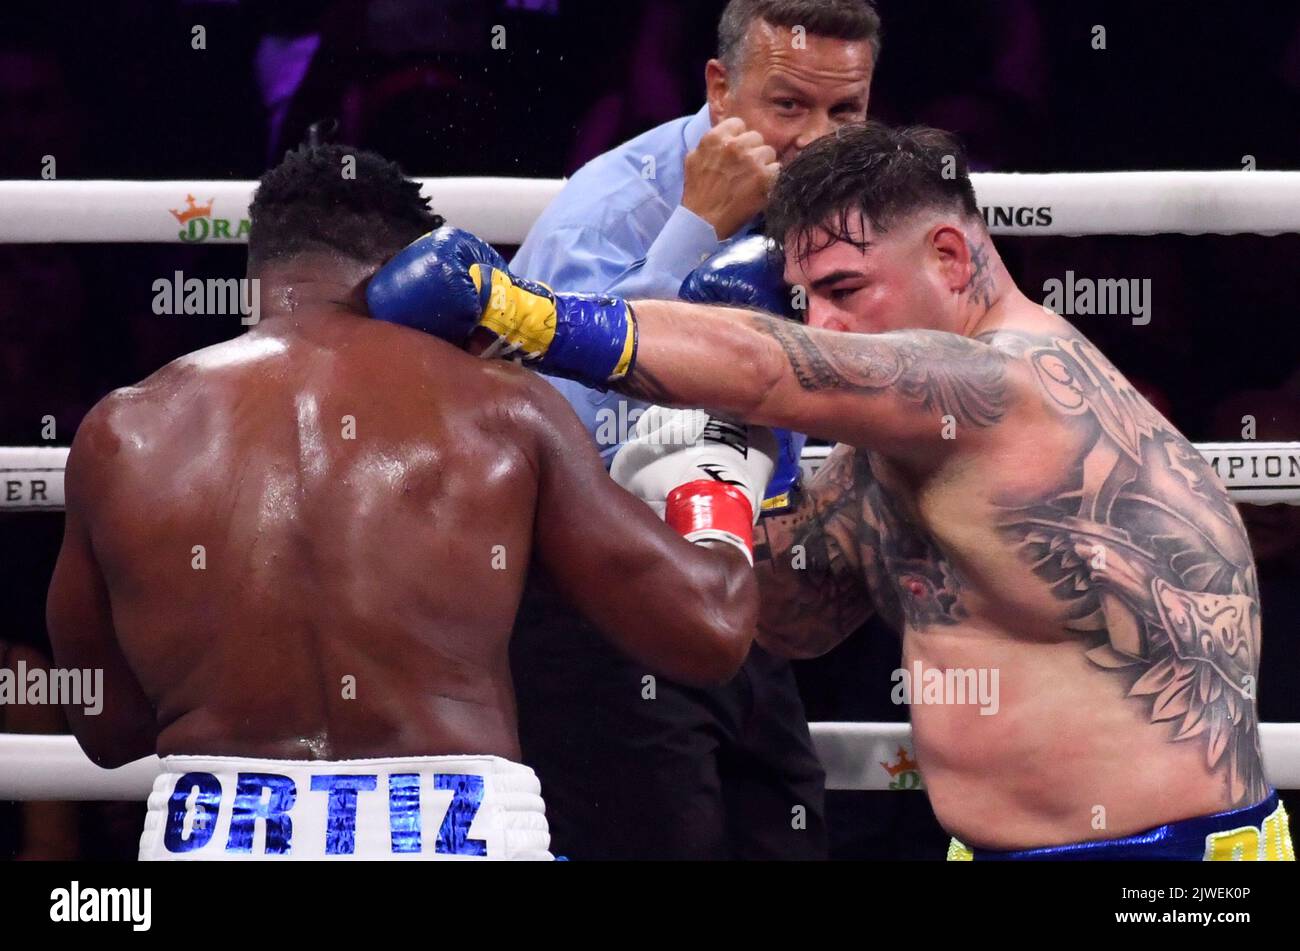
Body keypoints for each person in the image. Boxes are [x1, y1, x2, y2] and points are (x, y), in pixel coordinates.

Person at [366, 121, 1294, 861]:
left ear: (949, 256)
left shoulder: (1007, 383)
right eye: (807, 301)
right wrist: (716, 474)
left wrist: (515, 311)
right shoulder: (914, 444)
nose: (826, 324)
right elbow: (788, 618)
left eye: (848, 287)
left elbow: (776, 370)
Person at [45, 144, 771, 861]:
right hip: (456, 833)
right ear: (414, 275)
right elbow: (710, 627)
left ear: (257, 277)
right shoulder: (501, 410)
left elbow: (106, 729)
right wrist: (716, 466)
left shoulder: (123, 431)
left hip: (211, 835)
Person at [503, 0, 879, 860]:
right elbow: (557, 417)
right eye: (789, 106)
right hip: (598, 600)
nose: (818, 139)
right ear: (720, 90)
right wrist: (695, 231)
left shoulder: (855, 209)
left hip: (734, 586)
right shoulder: (610, 208)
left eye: (844, 112)